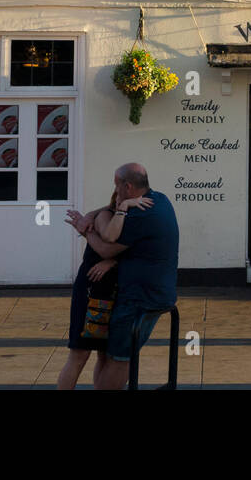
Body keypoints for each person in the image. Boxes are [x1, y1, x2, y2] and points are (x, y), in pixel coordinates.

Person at [85, 163, 179, 390]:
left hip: (140, 298)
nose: (115, 191)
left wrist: (84, 229)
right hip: (157, 292)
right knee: (109, 356)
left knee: (119, 358)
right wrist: (114, 207)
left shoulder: (142, 214)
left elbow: (106, 246)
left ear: (127, 186)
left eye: (117, 186)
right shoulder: (160, 199)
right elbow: (111, 215)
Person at [58, 177, 154, 390]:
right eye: (123, 198)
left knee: (105, 354)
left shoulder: (129, 221)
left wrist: (112, 262)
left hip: (111, 292)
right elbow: (108, 241)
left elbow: (129, 253)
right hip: (92, 288)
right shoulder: (106, 215)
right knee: (79, 353)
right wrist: (122, 208)